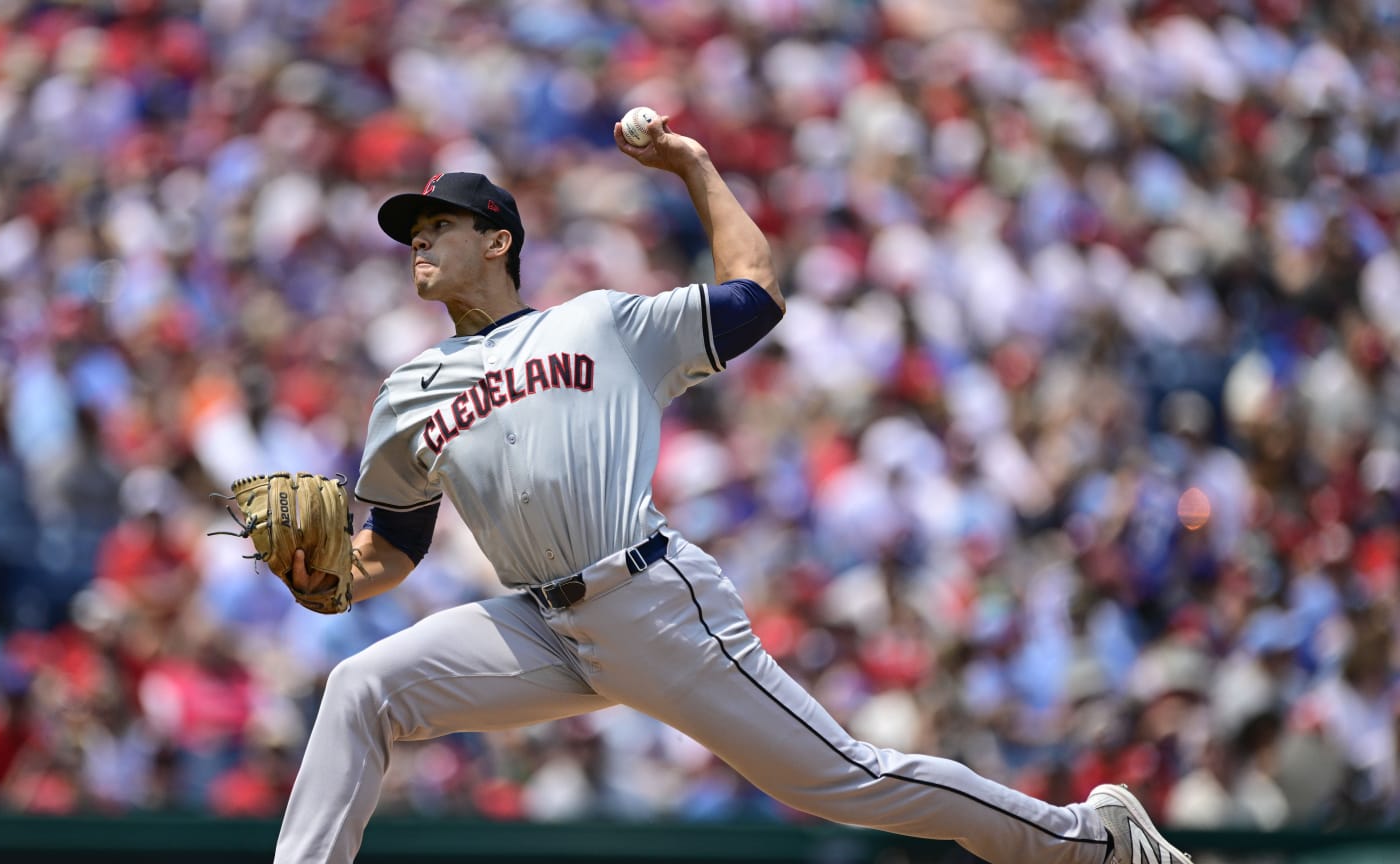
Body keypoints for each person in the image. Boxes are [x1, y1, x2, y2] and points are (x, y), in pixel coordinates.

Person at [271, 117, 1191, 864]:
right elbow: (392, 547)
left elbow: (755, 290)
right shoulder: (407, 392)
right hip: (538, 625)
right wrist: (332, 580)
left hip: (648, 601)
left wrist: (695, 165)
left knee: (844, 780)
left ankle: (1089, 843)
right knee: (361, 686)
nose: (418, 243)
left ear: (498, 239)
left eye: (438, 227)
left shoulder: (600, 322)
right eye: (411, 234)